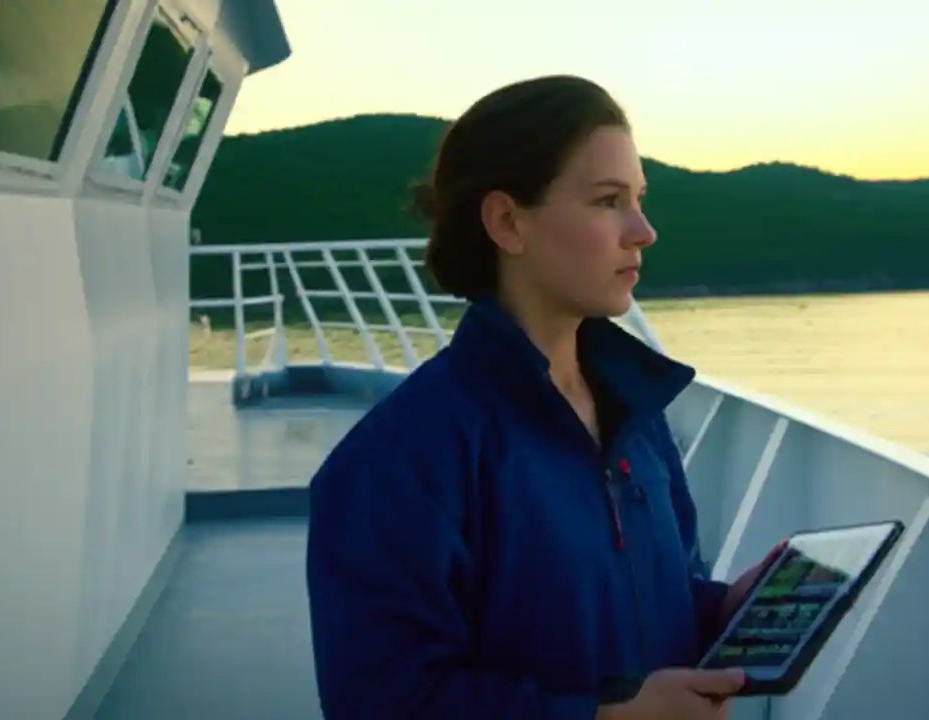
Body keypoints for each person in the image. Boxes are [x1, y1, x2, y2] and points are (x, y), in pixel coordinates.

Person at [305, 75, 776, 719]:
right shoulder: (401, 458)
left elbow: (641, 606)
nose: (643, 231)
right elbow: (382, 702)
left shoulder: (634, 412)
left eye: (638, 199)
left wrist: (721, 609)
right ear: (507, 221)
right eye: (609, 201)